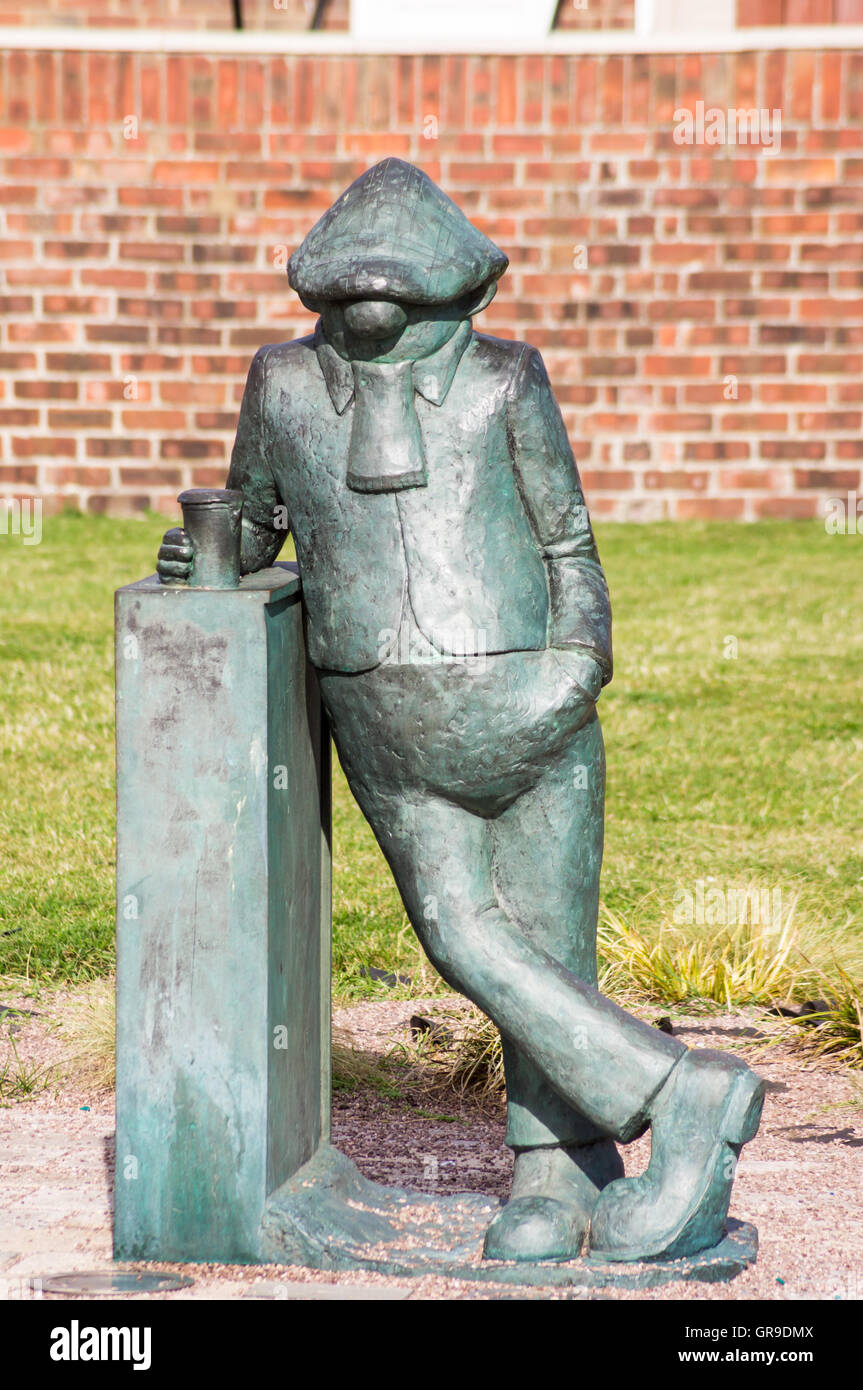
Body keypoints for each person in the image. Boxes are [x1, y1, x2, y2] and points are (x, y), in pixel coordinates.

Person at [157, 159, 764, 1264]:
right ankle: (683, 1092)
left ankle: (556, 1176)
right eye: (347, 300)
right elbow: (257, 517)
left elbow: (567, 542)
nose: (375, 319)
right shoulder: (284, 387)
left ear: (462, 295)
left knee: (546, 936)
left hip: (528, 699)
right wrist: (213, 545)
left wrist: (577, 663)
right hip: (385, 717)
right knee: (458, 930)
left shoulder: (504, 383)